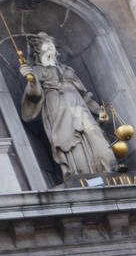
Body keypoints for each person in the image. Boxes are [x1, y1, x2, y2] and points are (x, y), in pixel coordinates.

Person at [18, 32, 116, 181]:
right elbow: (34, 94)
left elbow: (85, 95)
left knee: (95, 135)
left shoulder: (67, 69)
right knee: (69, 142)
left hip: (80, 108)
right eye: (46, 46)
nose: (51, 49)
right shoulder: (37, 71)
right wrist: (30, 79)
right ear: (38, 50)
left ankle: (109, 170)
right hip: (57, 110)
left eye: (52, 46)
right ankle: (81, 175)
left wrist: (98, 111)